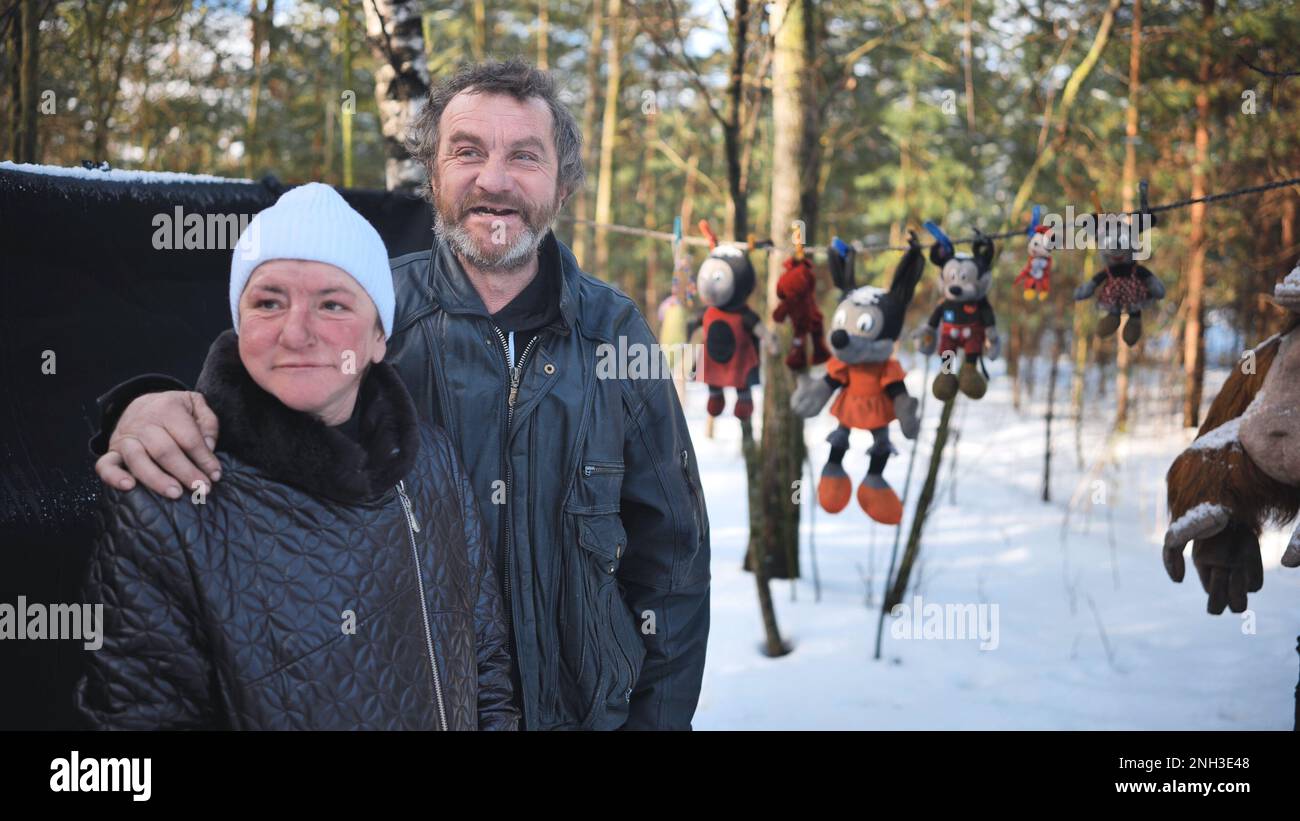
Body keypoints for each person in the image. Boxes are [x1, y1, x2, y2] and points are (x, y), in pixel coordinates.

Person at [90, 60, 711, 730]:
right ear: (433, 175)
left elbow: (672, 561)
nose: (493, 179)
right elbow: (259, 369)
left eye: (524, 156)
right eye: (466, 151)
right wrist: (143, 403)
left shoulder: (615, 336)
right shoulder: (364, 311)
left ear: (561, 185)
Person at [78, 183, 518, 730]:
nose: (296, 332)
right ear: (240, 326)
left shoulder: (431, 461)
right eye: (268, 302)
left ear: (379, 335)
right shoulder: (168, 494)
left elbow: (486, 664)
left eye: (332, 303)